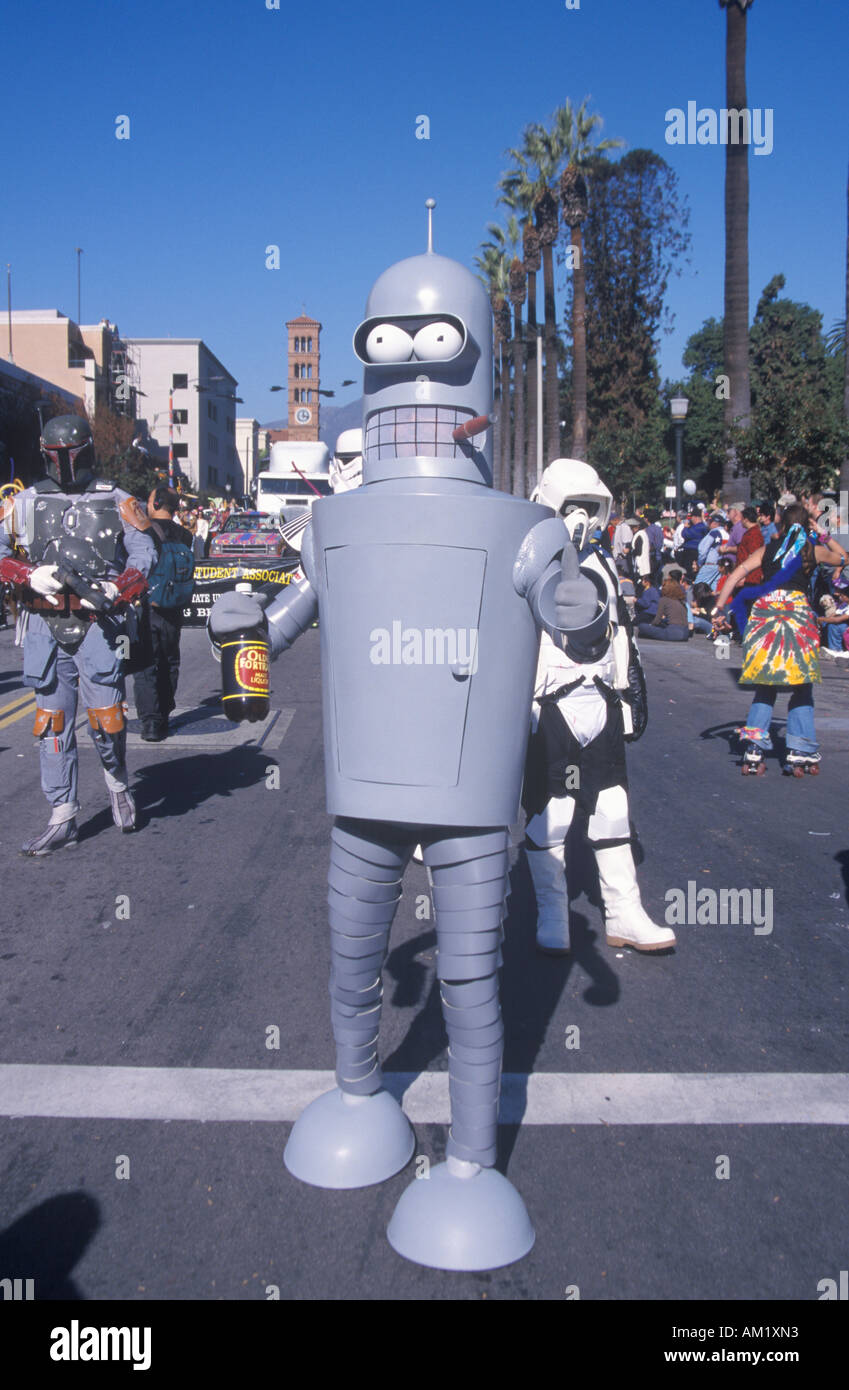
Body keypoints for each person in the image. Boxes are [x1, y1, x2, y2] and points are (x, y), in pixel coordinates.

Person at [523, 459, 674, 956]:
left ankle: (624, 912)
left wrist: (631, 697)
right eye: (574, 507)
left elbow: (622, 634)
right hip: (552, 708)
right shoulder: (528, 563)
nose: (583, 518)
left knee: (612, 809)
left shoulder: (604, 563)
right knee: (556, 810)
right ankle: (551, 912)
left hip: (601, 704)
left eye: (591, 507)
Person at [0, 414, 155, 852]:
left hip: (97, 623)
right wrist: (26, 574)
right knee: (52, 722)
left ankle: (117, 783)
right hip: (44, 624)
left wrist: (116, 586)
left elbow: (144, 551)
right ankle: (62, 813)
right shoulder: (24, 503)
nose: (64, 462)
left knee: (107, 718)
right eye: (56, 455)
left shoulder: (118, 499)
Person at [714, 503, 821, 775]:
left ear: (781, 525)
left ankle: (753, 746)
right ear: (806, 525)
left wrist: (720, 607)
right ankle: (800, 748)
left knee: (765, 683)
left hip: (767, 613)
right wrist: (824, 534)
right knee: (801, 683)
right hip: (797, 615)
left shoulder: (768, 550)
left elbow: (737, 573)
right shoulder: (811, 550)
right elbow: (843, 556)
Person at [132, 486, 195, 741]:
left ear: (156, 502)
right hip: (174, 607)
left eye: (149, 499)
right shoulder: (185, 535)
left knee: (146, 663)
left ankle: (150, 722)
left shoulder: (144, 531)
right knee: (170, 661)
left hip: (148, 605)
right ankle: (166, 715)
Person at [638, 576, 690, 641]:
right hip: (685, 633)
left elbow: (657, 621)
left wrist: (651, 625)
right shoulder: (681, 601)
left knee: (642, 626)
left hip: (673, 633)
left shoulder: (664, 600)